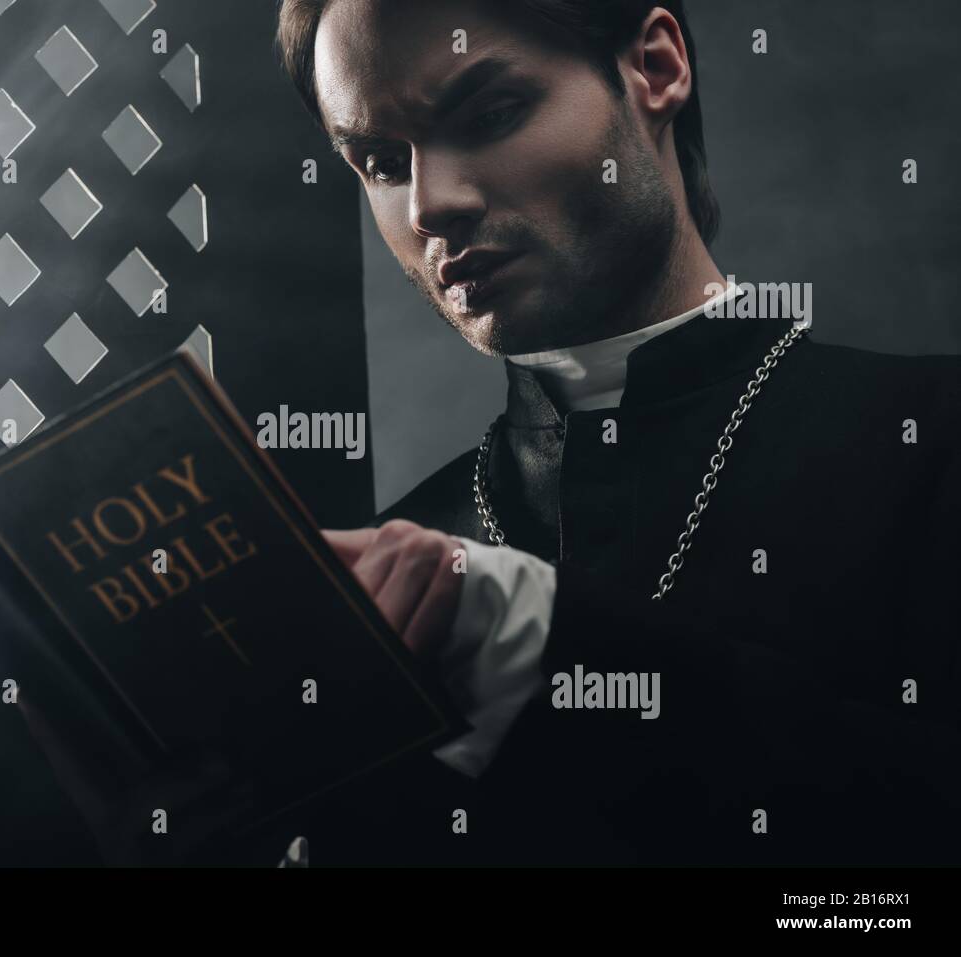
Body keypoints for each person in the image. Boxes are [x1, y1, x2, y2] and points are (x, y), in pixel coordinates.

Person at [273, 0, 961, 864]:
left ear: (657, 68)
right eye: (379, 161)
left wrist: (549, 649)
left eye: (491, 114)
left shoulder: (932, 441)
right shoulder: (385, 583)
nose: (430, 205)